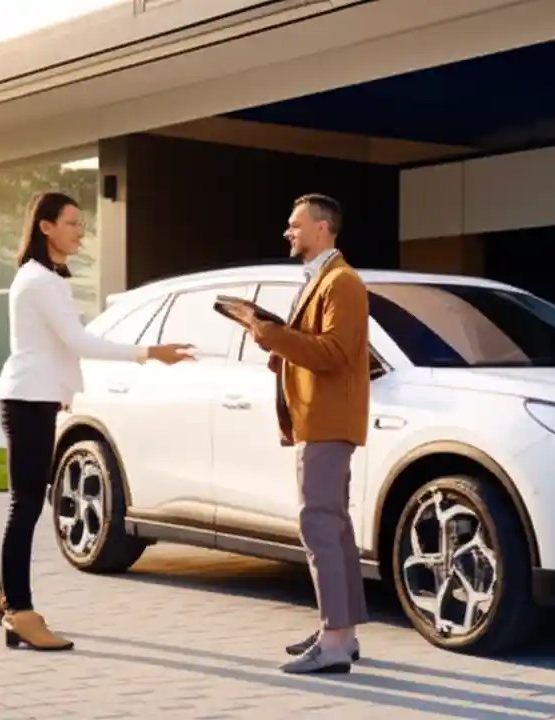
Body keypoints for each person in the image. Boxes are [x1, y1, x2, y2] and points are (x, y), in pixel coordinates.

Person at [0, 191, 193, 651]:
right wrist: (149, 353)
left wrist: (63, 392)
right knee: (25, 507)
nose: (81, 231)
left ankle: (7, 598)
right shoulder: (39, 280)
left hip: (35, 399)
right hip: (26, 400)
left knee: (24, 504)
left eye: (81, 224)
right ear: (46, 227)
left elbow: (57, 346)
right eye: (72, 223)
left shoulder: (45, 278)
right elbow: (79, 342)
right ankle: (20, 612)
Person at [228, 193, 371, 674]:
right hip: (319, 419)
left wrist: (270, 334)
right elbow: (318, 347)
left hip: (328, 422)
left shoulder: (342, 282)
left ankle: (332, 642)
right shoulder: (323, 280)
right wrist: (277, 341)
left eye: (295, 225)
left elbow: (333, 353)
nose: (288, 232)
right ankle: (342, 633)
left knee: (318, 526)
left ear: (323, 229)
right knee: (333, 526)